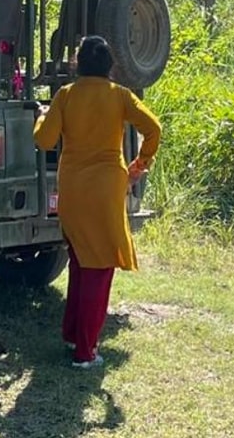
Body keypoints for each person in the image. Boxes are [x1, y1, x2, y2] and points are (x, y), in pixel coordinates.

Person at [34, 36, 162, 368]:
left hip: (73, 192)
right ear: (110, 66)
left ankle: (73, 334)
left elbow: (44, 140)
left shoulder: (66, 95)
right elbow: (154, 129)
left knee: (79, 262)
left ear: (77, 63)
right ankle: (85, 352)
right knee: (99, 271)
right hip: (106, 191)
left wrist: (42, 114)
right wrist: (138, 166)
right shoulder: (120, 95)